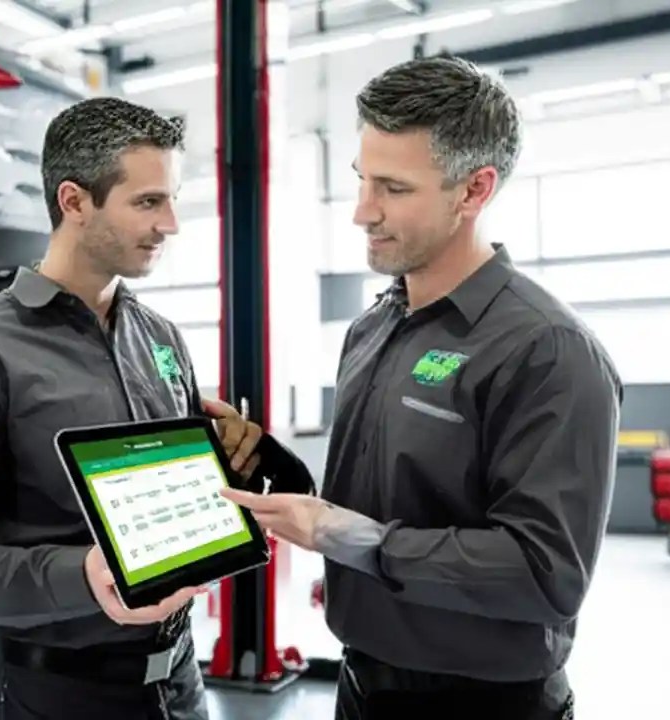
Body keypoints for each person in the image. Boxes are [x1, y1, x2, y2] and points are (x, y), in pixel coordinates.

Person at [223, 55, 622, 719]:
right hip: (361, 687)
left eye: (393, 189)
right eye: (360, 180)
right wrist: (264, 460)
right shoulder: (374, 326)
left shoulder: (548, 351)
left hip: (480, 705)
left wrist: (348, 540)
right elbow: (381, 499)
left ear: (473, 191)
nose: (360, 212)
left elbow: (544, 573)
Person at [0, 96, 314, 720]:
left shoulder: (161, 337)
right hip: (55, 696)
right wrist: (82, 576)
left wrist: (233, 466)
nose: (170, 223)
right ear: (74, 202)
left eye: (171, 199)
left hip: (178, 686)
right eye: (148, 202)